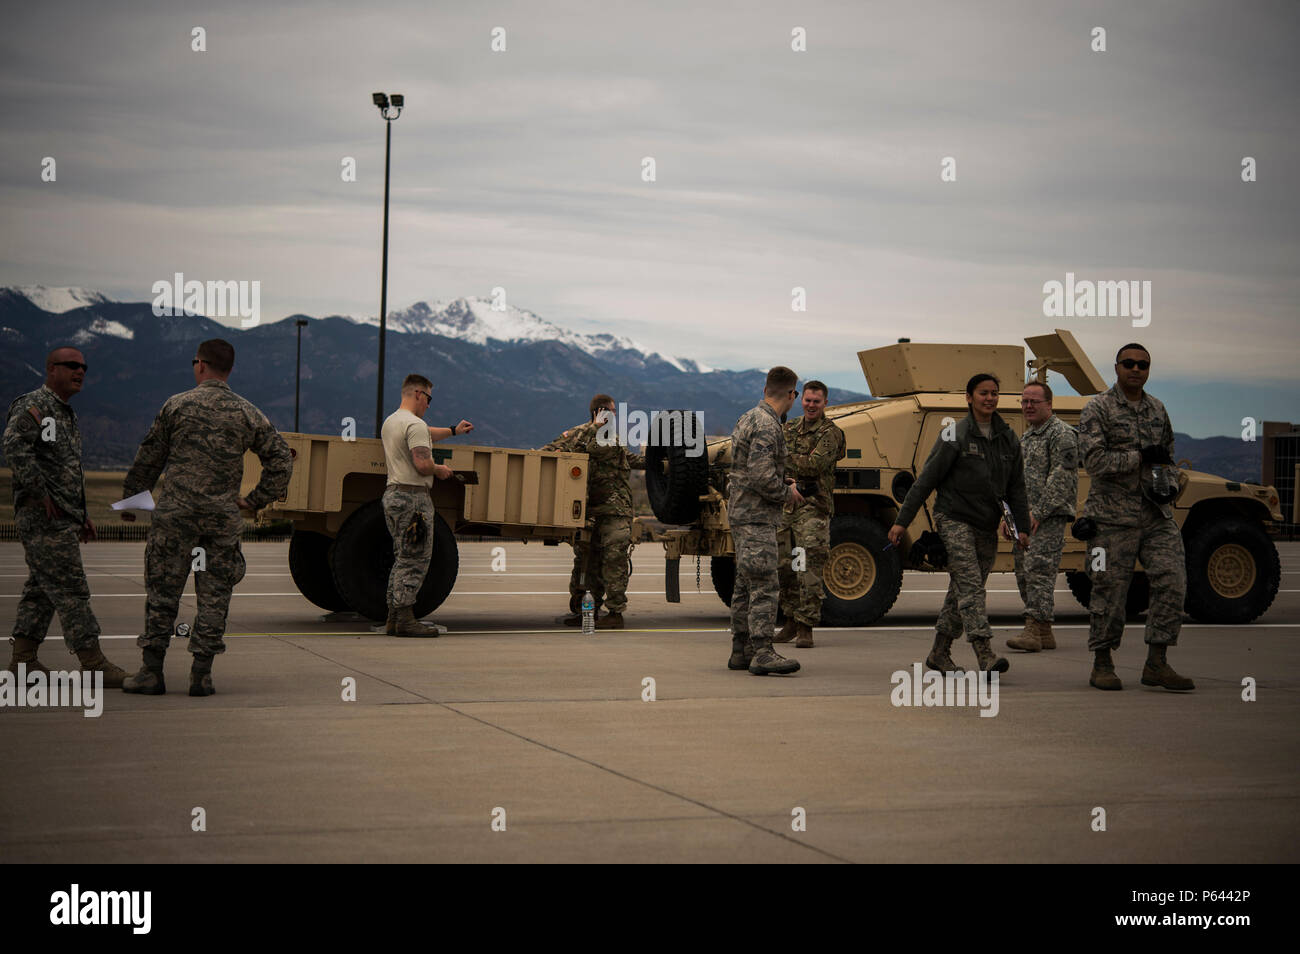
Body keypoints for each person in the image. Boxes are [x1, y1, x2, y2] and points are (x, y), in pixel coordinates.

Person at [119, 339, 292, 695]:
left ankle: (151, 671)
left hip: (175, 516)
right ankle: (201, 675)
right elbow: (281, 459)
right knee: (214, 596)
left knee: (162, 592)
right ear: (229, 369)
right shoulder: (247, 412)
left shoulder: (176, 406)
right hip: (221, 518)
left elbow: (149, 458)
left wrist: (134, 501)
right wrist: (255, 500)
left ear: (200, 364)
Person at [889, 373, 1030, 674]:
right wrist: (902, 522)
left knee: (963, 589)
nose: (989, 398)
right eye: (983, 393)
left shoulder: (1007, 438)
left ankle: (939, 652)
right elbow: (926, 480)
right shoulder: (954, 435)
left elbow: (1016, 487)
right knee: (971, 586)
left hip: (986, 523)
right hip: (953, 518)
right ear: (969, 398)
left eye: (994, 393)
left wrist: (1021, 527)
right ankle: (985, 653)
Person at [3, 347, 126, 686]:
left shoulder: (64, 413)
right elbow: (14, 446)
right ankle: (93, 662)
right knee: (72, 588)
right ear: (51, 369)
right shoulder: (35, 406)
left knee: (41, 589)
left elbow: (66, 470)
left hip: (61, 517)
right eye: (72, 365)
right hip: (42, 518)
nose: (80, 371)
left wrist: (80, 514)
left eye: (84, 366)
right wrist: (39, 491)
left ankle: (24, 661)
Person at [1077, 344, 1193, 691]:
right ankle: (1102, 663)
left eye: (1143, 365)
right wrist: (1139, 457)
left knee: (1173, 581)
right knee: (1110, 591)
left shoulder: (1157, 408)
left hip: (1155, 514)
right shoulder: (1098, 408)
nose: (1136, 369)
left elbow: (1167, 454)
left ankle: (1157, 662)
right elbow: (1094, 461)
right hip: (1112, 518)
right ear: (1117, 367)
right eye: (1129, 363)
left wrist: (1168, 484)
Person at [379, 374, 472, 636]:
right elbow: (422, 464)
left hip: (393, 495)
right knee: (416, 559)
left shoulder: (392, 422)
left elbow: (426, 434)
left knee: (402, 557)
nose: (429, 405)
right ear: (419, 394)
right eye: (429, 399)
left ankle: (393, 618)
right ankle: (405, 619)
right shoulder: (415, 424)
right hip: (414, 500)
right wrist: (439, 469)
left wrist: (453, 430)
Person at [543, 394, 645, 629]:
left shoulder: (613, 438)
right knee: (586, 563)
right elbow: (550, 451)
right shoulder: (580, 433)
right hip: (588, 511)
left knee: (613, 560)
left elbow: (629, 459)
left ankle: (615, 613)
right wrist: (594, 429)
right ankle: (586, 611)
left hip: (615, 510)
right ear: (599, 412)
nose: (615, 415)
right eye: (611, 411)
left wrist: (660, 463)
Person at [728, 367, 805, 675]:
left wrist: (779, 480)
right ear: (792, 394)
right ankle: (762, 651)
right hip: (757, 517)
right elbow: (761, 476)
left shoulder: (747, 418)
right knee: (764, 584)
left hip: (742, 513)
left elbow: (749, 470)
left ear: (765, 390)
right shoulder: (768, 425)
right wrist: (787, 492)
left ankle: (741, 649)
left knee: (744, 584)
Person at [1006, 380, 1078, 652]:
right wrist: (1010, 517)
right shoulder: (1028, 437)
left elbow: (1061, 479)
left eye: (1034, 401)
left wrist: (1038, 512)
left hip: (1047, 517)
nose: (1028, 406)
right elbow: (1016, 482)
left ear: (1049, 404)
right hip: (1025, 519)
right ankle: (1044, 631)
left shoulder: (1062, 434)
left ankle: (1033, 630)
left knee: (1038, 572)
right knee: (1024, 572)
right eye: (1024, 401)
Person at [774, 380, 846, 649]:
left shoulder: (831, 433)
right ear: (800, 400)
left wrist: (784, 458)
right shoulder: (789, 428)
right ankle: (790, 620)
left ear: (825, 403)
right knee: (785, 566)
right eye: (807, 400)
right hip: (787, 506)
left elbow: (814, 465)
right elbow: (775, 461)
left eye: (817, 401)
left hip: (814, 507)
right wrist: (786, 472)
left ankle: (806, 625)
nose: (811, 405)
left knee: (808, 567)